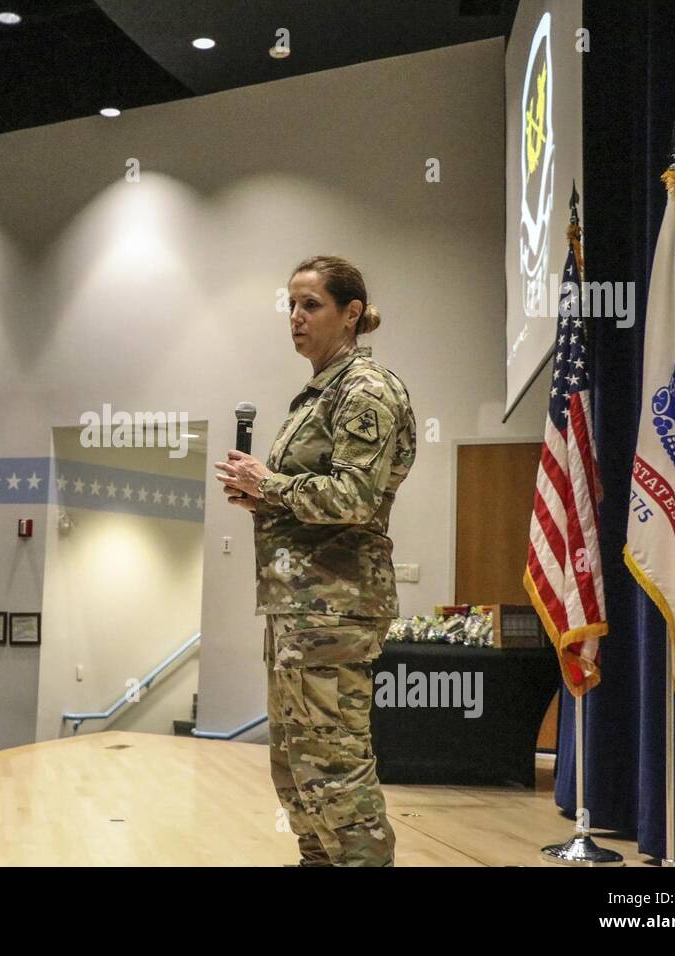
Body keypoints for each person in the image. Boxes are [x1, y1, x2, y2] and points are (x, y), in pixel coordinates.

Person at [214, 255, 415, 867]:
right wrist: (264, 500)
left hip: (336, 608)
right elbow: (317, 497)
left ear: (351, 313)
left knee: (335, 764)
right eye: (291, 306)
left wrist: (269, 485)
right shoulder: (320, 392)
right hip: (297, 606)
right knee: (295, 762)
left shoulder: (365, 390)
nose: (296, 319)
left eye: (311, 305)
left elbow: (354, 497)